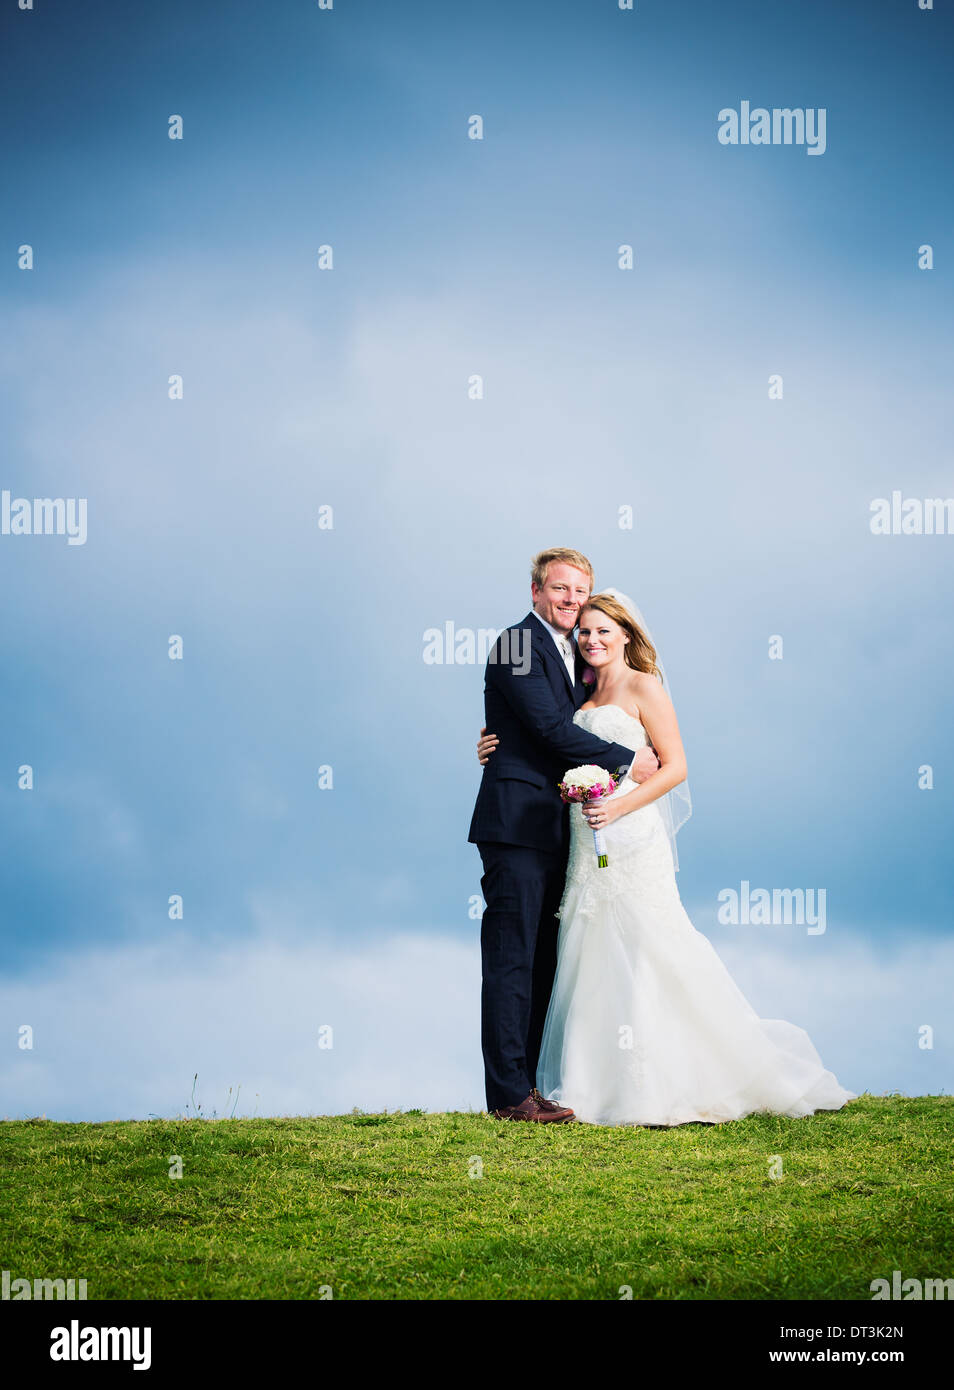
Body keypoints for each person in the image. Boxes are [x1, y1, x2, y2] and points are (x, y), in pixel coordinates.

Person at [477, 587, 856, 1127]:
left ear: (627, 635)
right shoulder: (576, 688)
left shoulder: (643, 684)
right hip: (584, 840)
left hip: (628, 833)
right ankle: (592, 1084)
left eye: (604, 630)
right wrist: (494, 744)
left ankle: (668, 1080)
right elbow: (544, 730)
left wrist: (621, 806)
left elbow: (675, 767)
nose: (591, 639)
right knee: (590, 951)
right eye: (585, 631)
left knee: (650, 943)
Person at [467, 549, 659, 1123]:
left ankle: (530, 1089)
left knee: (545, 961)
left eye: (580, 591)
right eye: (560, 589)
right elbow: (550, 729)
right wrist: (630, 759)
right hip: (517, 825)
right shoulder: (517, 645)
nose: (571, 600)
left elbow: (554, 722)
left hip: (563, 831)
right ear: (535, 592)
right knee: (511, 959)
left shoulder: (578, 659)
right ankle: (508, 1097)